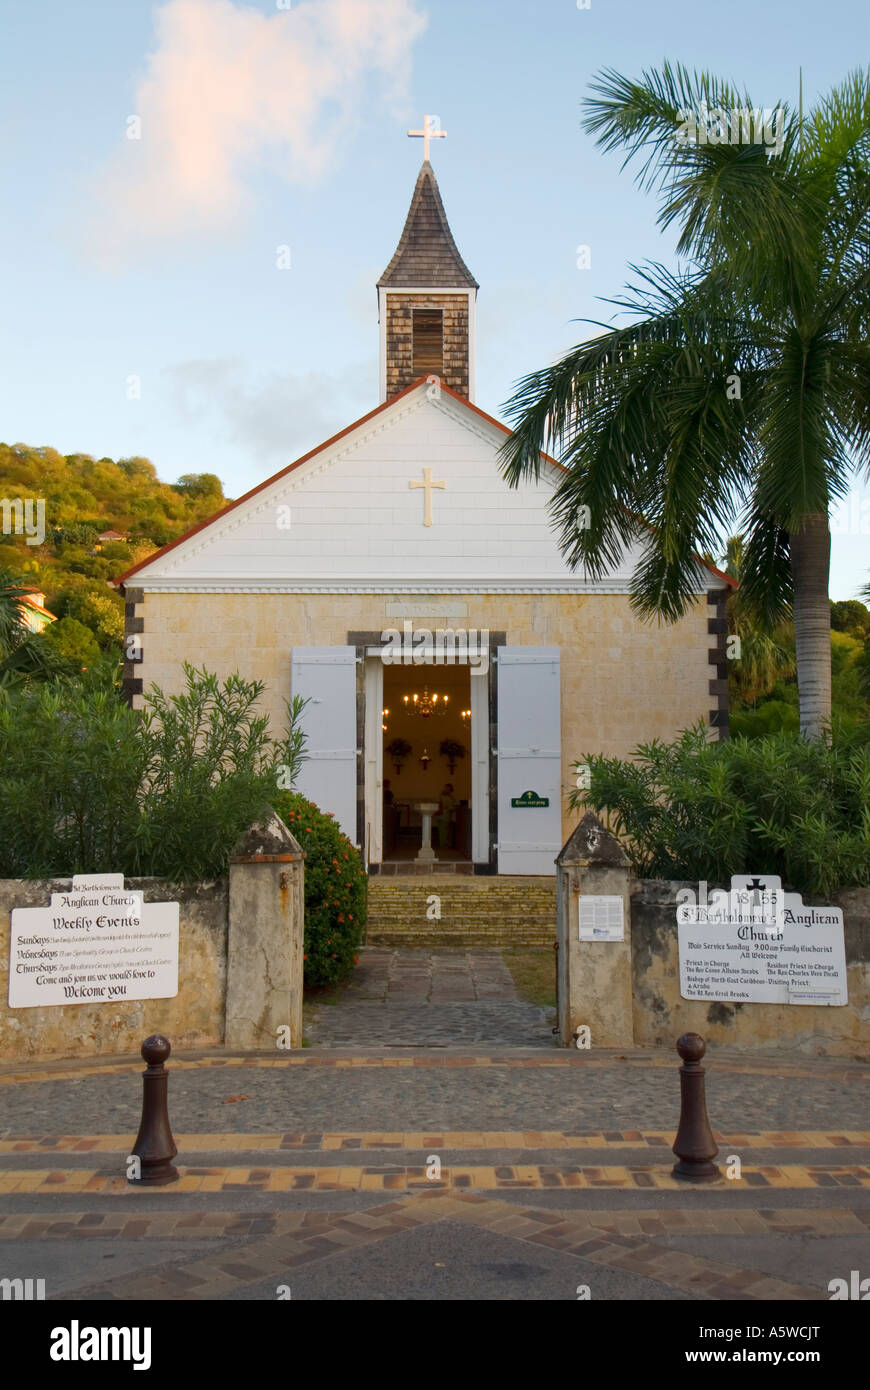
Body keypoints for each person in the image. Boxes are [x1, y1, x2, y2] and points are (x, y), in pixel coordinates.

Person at [434, 783, 456, 850]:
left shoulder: (451, 796)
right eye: (446, 788)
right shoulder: (442, 795)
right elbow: (441, 805)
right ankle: (443, 845)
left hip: (446, 816)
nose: (447, 789)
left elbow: (453, 805)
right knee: (442, 831)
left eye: (448, 788)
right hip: (442, 815)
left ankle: (443, 844)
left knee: (444, 831)